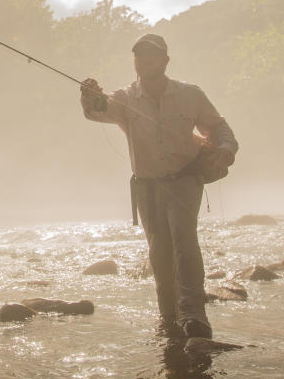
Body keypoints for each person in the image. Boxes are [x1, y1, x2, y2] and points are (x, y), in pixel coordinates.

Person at [80, 33, 237, 341]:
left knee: (184, 242)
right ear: (135, 62)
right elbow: (97, 110)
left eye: (152, 55)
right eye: (140, 55)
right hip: (146, 187)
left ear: (166, 60)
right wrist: (89, 95)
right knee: (159, 251)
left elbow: (218, 126)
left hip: (185, 179)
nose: (145, 60)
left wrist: (226, 148)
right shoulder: (125, 98)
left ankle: (194, 316)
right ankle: (169, 317)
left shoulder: (190, 94)